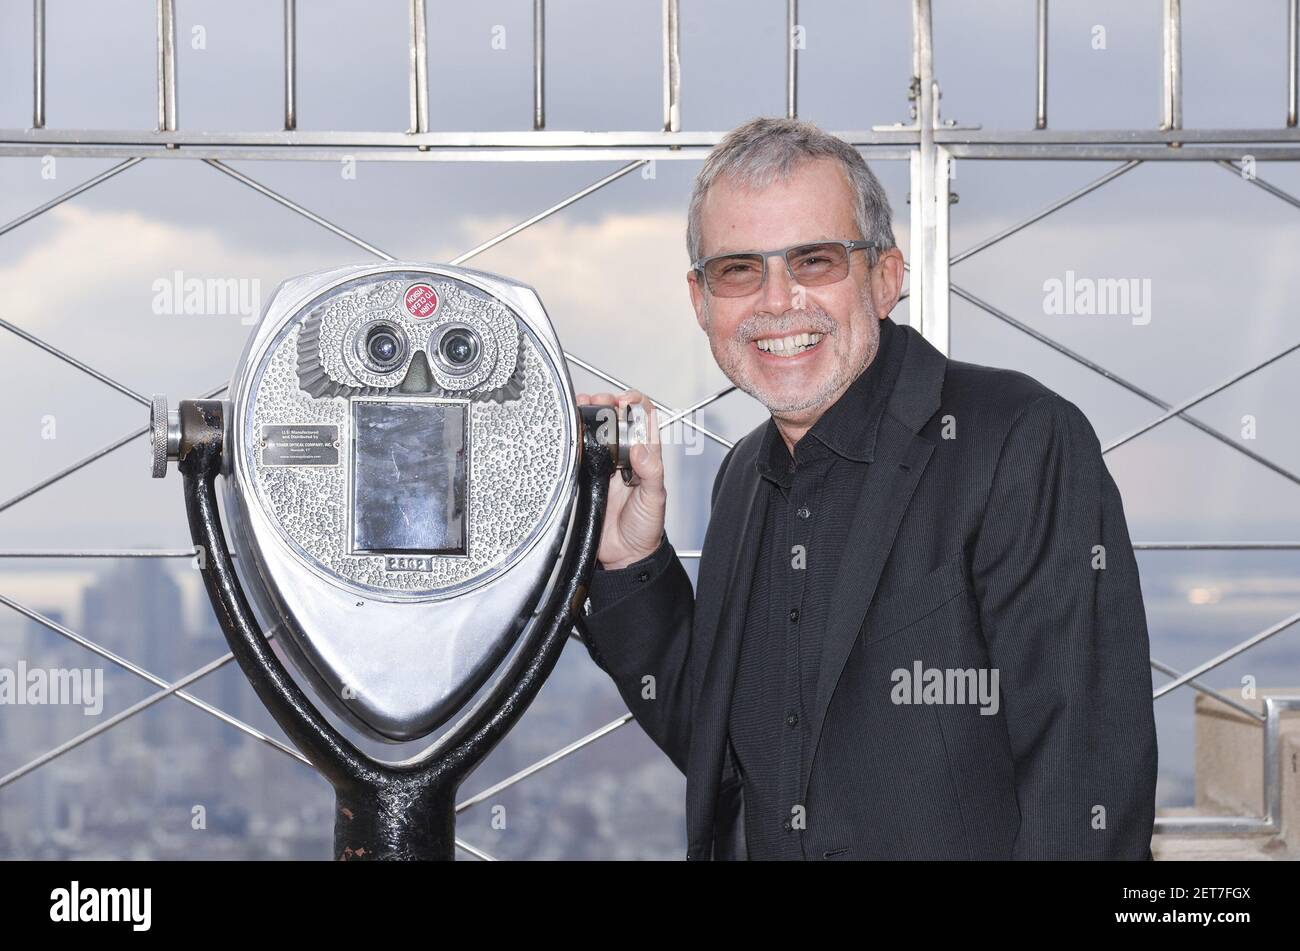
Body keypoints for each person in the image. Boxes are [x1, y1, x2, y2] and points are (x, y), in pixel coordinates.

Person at [576, 116, 1158, 860]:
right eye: (738, 270)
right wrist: (631, 561)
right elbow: (736, 760)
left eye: (815, 260)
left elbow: (1081, 784)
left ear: (885, 277)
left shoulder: (1018, 439)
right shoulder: (741, 478)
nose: (777, 301)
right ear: (700, 300)